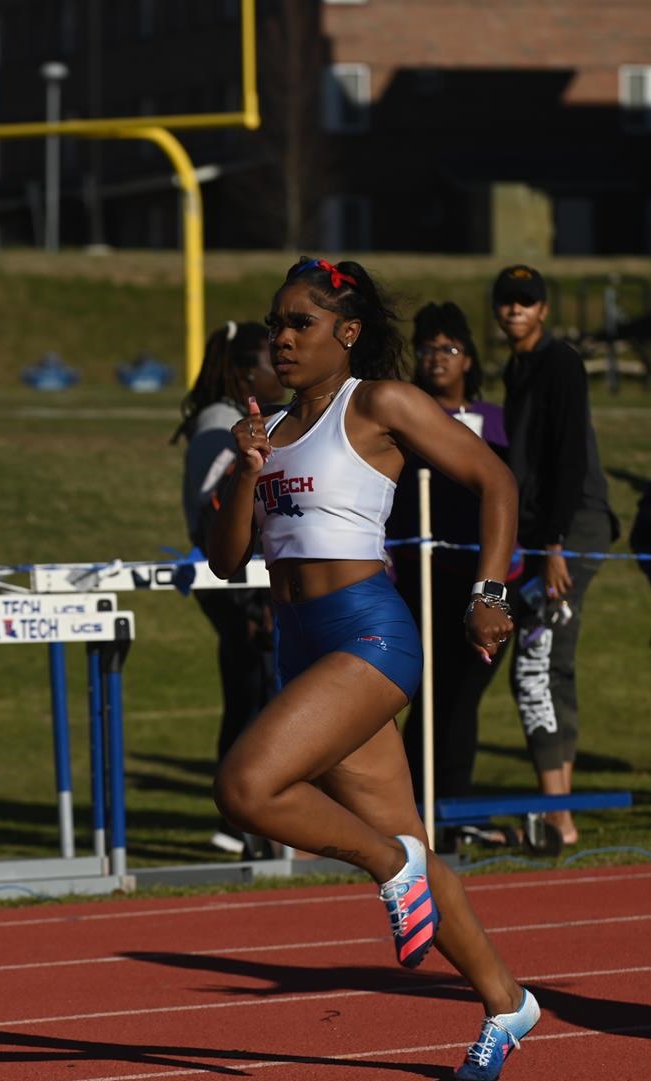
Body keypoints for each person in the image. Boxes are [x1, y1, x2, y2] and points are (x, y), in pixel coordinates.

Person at [208, 257, 537, 1081]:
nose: (279, 338)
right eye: (274, 324)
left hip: (368, 636)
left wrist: (489, 589)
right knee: (418, 848)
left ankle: (387, 867)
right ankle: (506, 1002)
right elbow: (224, 561)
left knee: (246, 788)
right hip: (300, 642)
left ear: (345, 333)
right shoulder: (270, 430)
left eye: (300, 324)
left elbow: (494, 477)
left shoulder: (378, 402)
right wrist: (244, 473)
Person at [493, 264, 617, 848]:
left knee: (533, 669)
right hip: (551, 534)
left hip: (569, 534)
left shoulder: (560, 363)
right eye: (507, 301)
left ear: (542, 310)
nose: (515, 309)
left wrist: (555, 546)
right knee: (553, 666)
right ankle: (560, 814)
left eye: (526, 301)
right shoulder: (517, 368)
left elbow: (568, 455)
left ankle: (555, 813)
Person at [384, 301, 509, 837]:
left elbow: (505, 489)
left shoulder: (495, 421)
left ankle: (453, 804)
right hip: (417, 574)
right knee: (418, 694)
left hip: (476, 578)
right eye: (429, 348)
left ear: (469, 359)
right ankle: (415, 808)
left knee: (460, 695)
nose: (437, 358)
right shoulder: (403, 418)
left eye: (449, 348)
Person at [175, 320, 286, 855]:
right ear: (247, 372)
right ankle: (240, 818)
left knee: (258, 692)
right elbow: (212, 508)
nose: (282, 369)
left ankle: (248, 818)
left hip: (247, 578)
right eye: (273, 361)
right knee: (250, 695)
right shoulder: (222, 425)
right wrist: (250, 596)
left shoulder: (241, 419)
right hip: (235, 580)